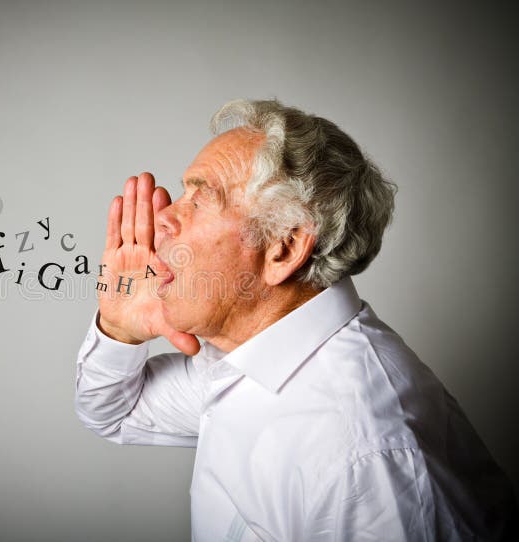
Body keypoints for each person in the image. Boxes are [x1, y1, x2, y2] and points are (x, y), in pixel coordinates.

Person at [74, 99, 517, 541]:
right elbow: (117, 413)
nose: (164, 218)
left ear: (283, 248)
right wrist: (120, 329)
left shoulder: (364, 453)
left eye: (200, 199)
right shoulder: (248, 360)